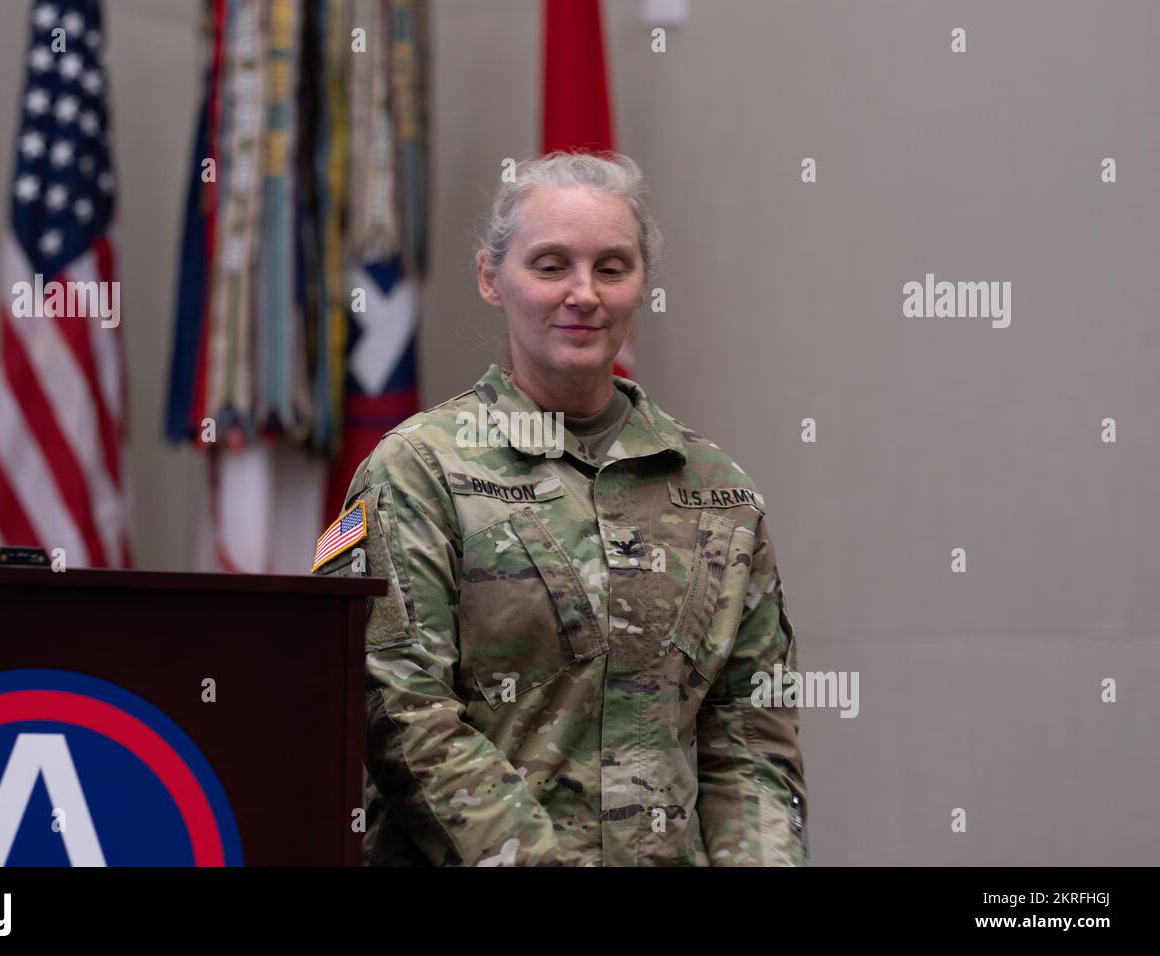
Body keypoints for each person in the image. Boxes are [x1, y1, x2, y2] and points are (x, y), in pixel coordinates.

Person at [312, 151, 806, 866]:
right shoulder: (415, 470)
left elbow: (751, 740)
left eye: (612, 267)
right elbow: (400, 713)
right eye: (551, 266)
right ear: (491, 277)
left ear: (641, 286)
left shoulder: (717, 489)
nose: (584, 294)